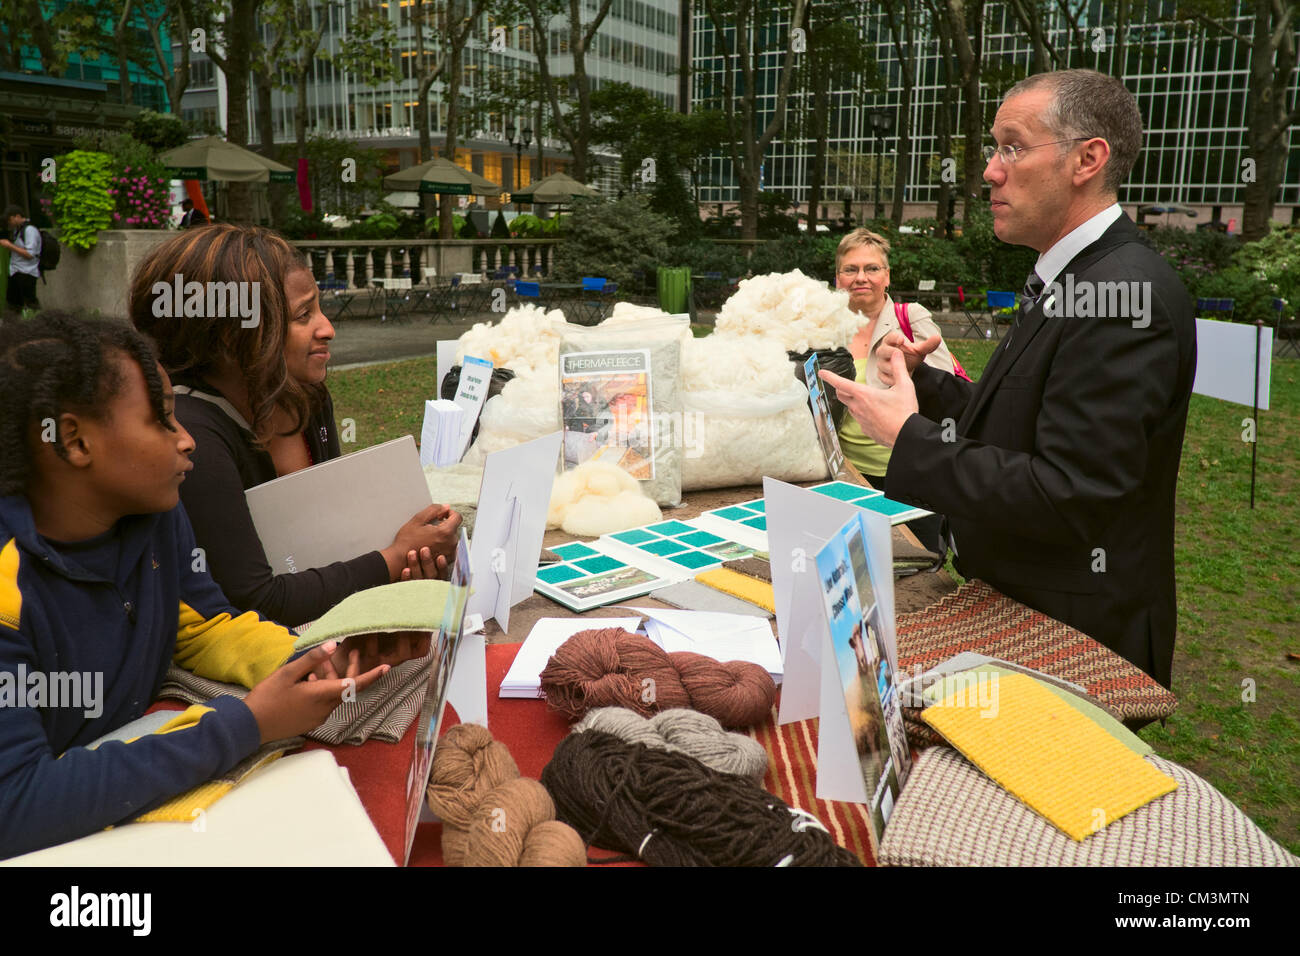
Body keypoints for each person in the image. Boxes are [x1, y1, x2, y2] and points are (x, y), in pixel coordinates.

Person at [0, 312, 428, 858]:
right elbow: (15, 804)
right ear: (74, 442)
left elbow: (204, 627)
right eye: (162, 422)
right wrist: (246, 725)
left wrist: (322, 655)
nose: (187, 442)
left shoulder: (153, 512)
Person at [820, 69, 1196, 689]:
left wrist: (908, 438)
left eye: (1012, 147)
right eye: (995, 148)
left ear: (1087, 160)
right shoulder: (1077, 276)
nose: (991, 170)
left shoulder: (1122, 295)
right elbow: (1028, 422)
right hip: (1026, 615)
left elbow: (1069, 494)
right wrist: (930, 384)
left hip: (1076, 644)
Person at [130, 224, 461, 628]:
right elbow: (257, 600)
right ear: (235, 336)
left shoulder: (306, 396)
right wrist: (394, 558)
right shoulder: (192, 435)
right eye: (304, 315)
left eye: (319, 307)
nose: (328, 329)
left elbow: (334, 540)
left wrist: (415, 552)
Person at [834, 228, 954, 553]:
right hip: (850, 475)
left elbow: (945, 388)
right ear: (837, 278)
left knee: (922, 562)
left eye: (872, 268)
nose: (861, 277)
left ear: (887, 276)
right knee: (860, 561)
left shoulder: (911, 318)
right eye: (851, 269)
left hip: (911, 473)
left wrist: (915, 368)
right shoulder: (824, 329)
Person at [1, 204, 41, 317]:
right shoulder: (17, 231)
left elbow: (30, 254)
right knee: (13, 303)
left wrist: (9, 245)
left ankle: (38, 324)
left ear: (17, 216)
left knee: (30, 302)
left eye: (10, 220)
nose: (9, 223)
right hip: (15, 271)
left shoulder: (30, 230)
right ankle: (14, 327)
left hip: (27, 272)